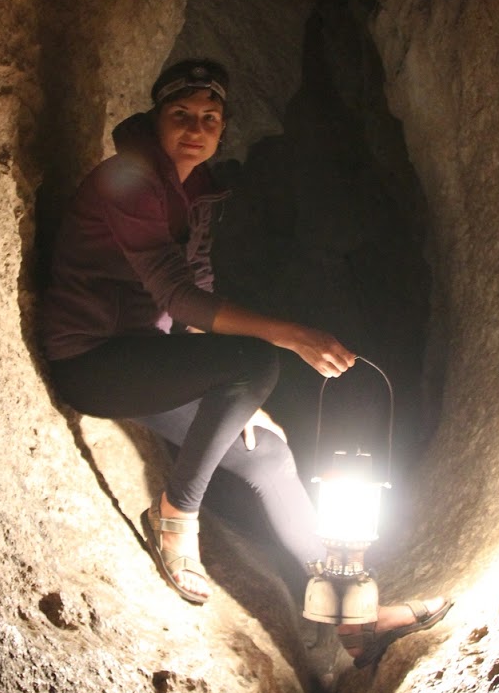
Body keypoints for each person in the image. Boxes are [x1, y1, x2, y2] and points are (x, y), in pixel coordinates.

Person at [39, 58, 355, 607]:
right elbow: (177, 296)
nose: (195, 129)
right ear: (155, 119)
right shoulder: (129, 180)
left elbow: (197, 286)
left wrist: (237, 400)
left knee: (270, 454)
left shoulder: (199, 192)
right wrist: (290, 336)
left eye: (210, 118)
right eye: (181, 114)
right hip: (90, 359)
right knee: (257, 362)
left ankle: (347, 600)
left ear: (223, 129)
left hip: (142, 358)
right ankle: (175, 516)